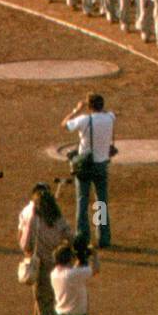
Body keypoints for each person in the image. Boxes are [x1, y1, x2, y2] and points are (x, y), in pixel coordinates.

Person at [17, 184, 73, 315]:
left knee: (43, 304)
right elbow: (71, 236)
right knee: (53, 300)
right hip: (56, 265)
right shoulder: (58, 218)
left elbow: (25, 244)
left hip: (40, 266)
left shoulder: (34, 219)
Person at [62, 93, 115, 248]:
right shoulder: (109, 118)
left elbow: (64, 124)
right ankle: (103, 237)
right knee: (101, 202)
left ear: (89, 106)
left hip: (85, 164)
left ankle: (83, 237)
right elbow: (110, 113)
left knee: (82, 201)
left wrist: (76, 110)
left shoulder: (84, 119)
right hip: (101, 164)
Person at [51, 241, 99, 315]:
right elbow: (95, 269)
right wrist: (94, 254)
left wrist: (79, 260)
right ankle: (101, 223)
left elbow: (75, 271)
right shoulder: (72, 275)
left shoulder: (54, 273)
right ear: (69, 259)